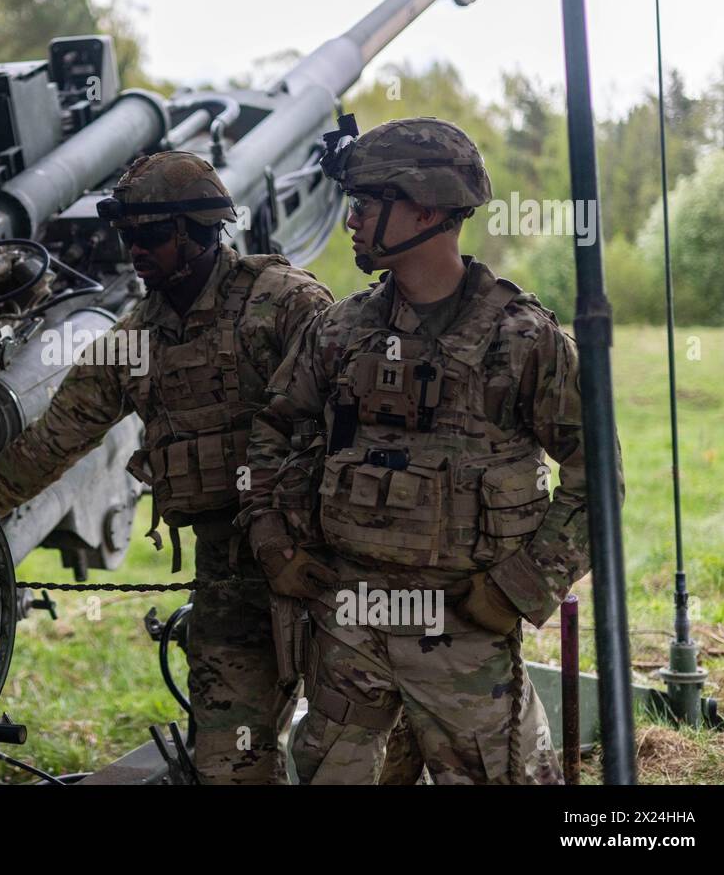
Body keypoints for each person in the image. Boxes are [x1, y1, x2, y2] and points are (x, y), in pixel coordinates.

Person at [248, 115, 614, 784]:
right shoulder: (340, 328)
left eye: (364, 203)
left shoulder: (521, 339)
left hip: (464, 629)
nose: (351, 220)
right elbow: (275, 431)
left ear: (425, 206)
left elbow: (599, 474)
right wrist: (277, 542)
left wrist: (521, 587)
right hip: (350, 622)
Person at [0, 150, 333, 782]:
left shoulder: (284, 304)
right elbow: (55, 440)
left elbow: (353, 421)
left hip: (325, 565)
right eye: (126, 236)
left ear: (198, 231)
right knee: (229, 764)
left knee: (345, 756)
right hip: (229, 574)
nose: (135, 250)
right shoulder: (134, 340)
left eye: (150, 235)